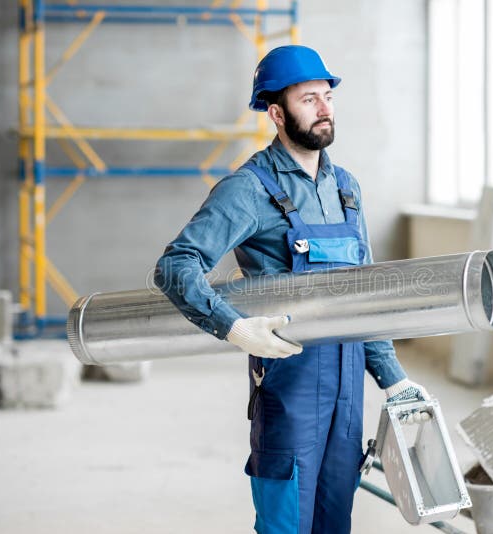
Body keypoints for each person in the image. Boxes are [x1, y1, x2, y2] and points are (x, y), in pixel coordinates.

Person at [154, 45, 429, 534]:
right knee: (285, 523)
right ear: (277, 113)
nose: (325, 109)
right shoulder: (248, 189)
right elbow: (176, 265)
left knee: (334, 520)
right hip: (291, 388)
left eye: (327, 96)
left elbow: (362, 296)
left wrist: (394, 379)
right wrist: (233, 326)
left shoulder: (346, 187)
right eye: (309, 99)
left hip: (347, 392)